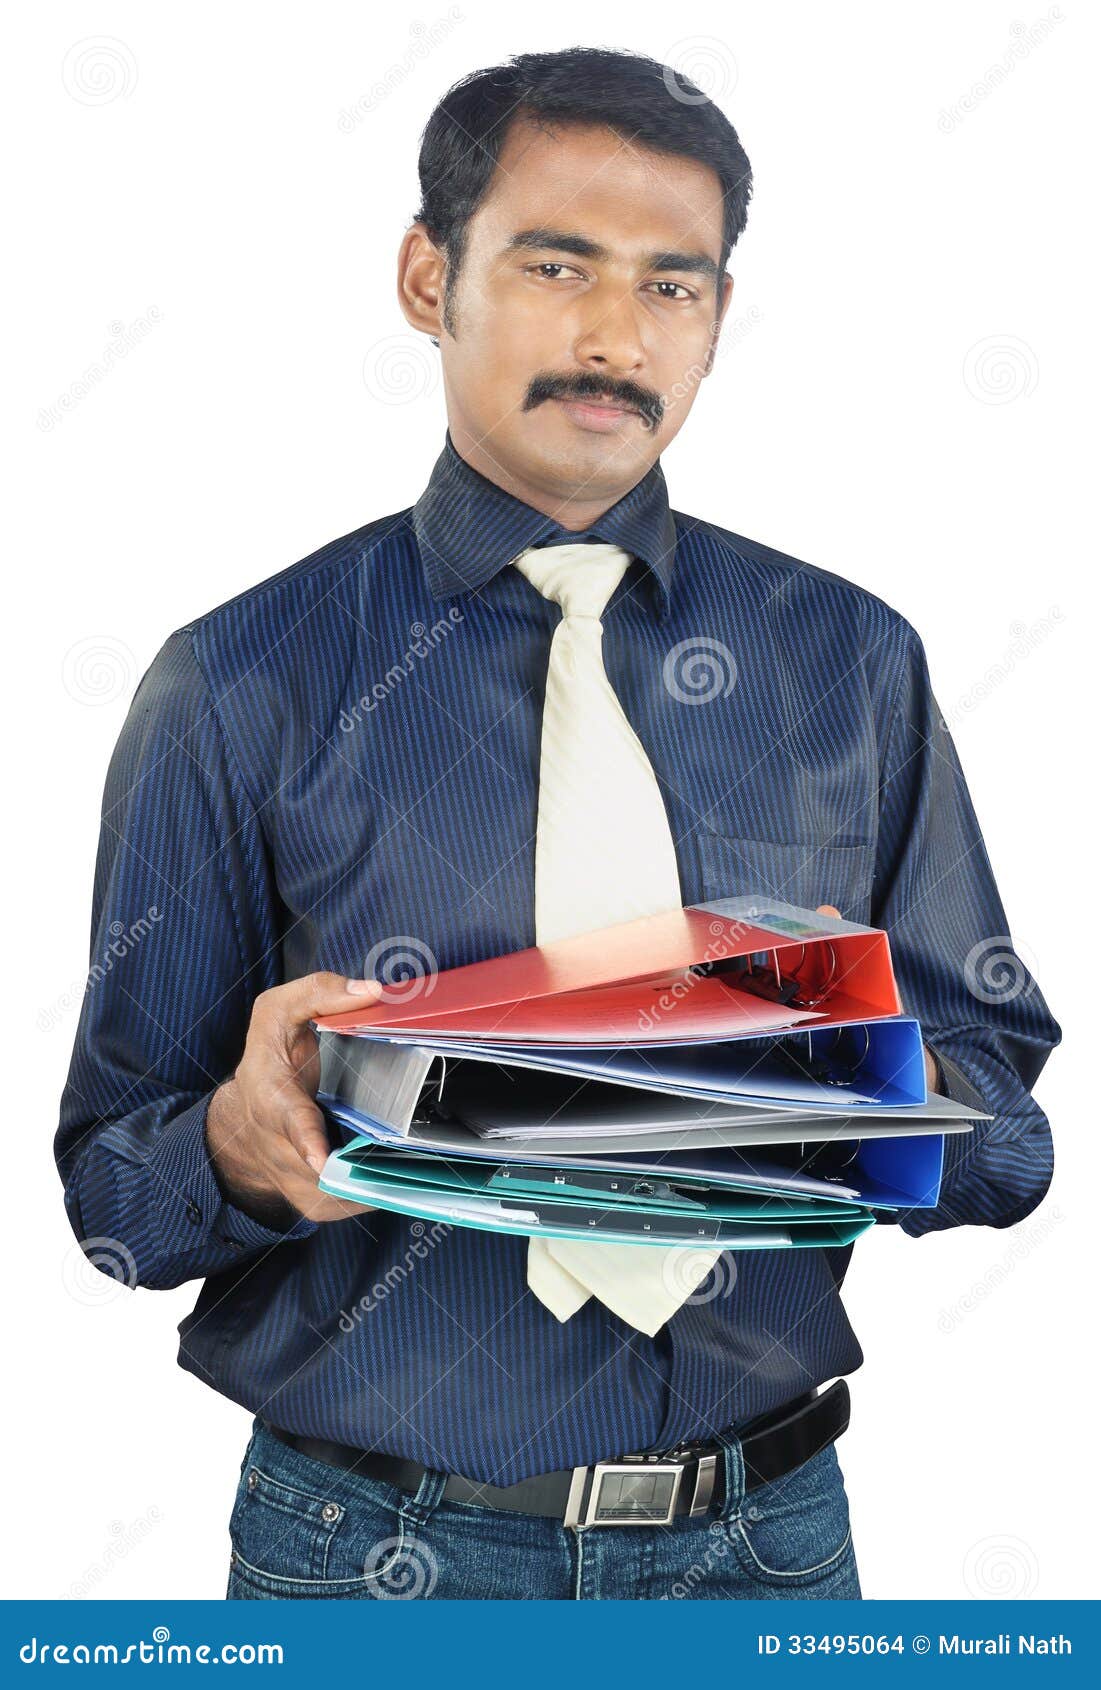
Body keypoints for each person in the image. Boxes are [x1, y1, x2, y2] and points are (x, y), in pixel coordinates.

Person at [56, 46, 1059, 1601]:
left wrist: (854, 1098)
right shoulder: (239, 681)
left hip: (767, 1547)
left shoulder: (848, 661)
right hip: (372, 1557)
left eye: (671, 284)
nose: (613, 335)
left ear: (718, 315)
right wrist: (233, 1151)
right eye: (554, 265)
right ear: (427, 278)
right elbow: (115, 1193)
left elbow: (1001, 1127)